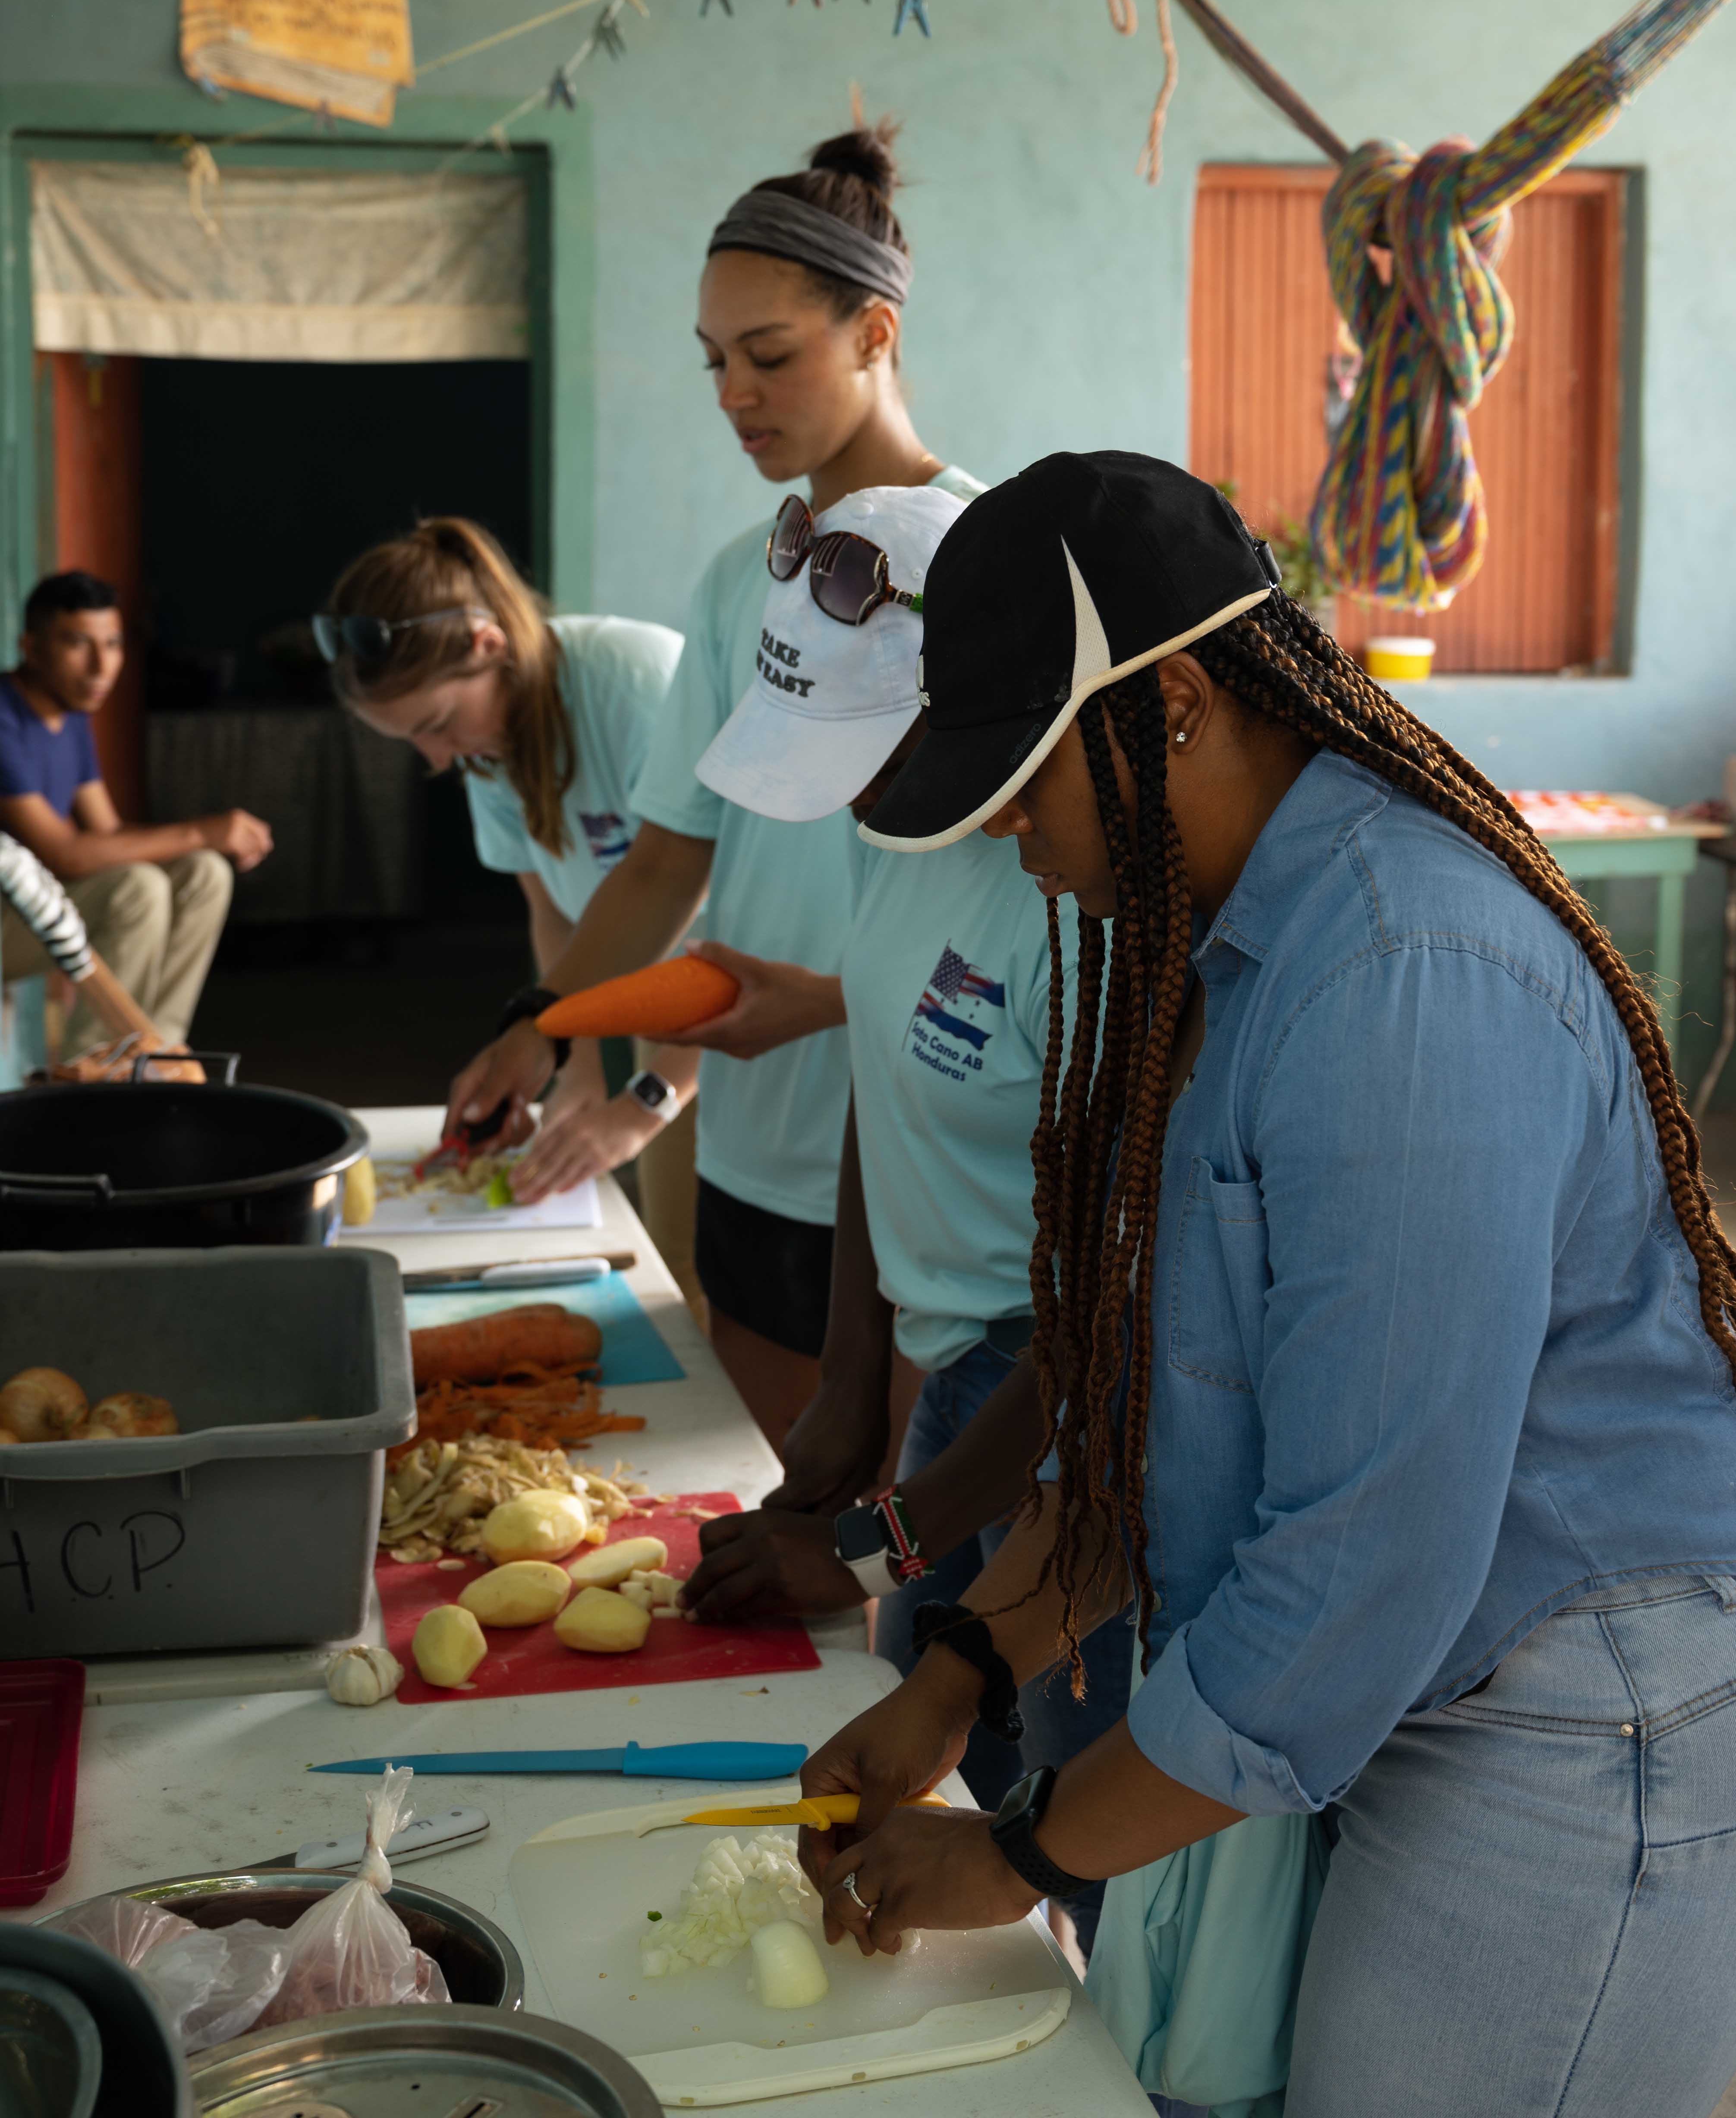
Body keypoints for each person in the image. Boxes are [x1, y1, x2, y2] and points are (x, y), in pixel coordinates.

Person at [792, 452, 1736, 2118]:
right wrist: (958, 1672)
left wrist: (1018, 1845)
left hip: (1571, 1718)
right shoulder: (1228, 943)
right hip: (1418, 1680)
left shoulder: (1398, 971)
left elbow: (1362, 1562)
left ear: (1166, 706)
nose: (1010, 839)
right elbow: (1158, 1437)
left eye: (1023, 786)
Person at [443, 124, 983, 1451]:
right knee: (760, 1488)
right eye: (715, 364)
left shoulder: (983, 563)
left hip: (920, 1137)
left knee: (904, 1523)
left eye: (770, 355)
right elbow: (673, 857)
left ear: (876, 332)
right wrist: (548, 1021)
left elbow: (1029, 908)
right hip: (755, 1133)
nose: (736, 393)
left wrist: (832, 1004)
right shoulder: (745, 576)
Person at [675, 478, 1135, 1954]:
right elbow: (886, 1066)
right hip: (952, 1392)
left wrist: (884, 1535)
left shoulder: (1082, 902)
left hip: (1056, 1403)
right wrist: (849, 1381)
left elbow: (1099, 1342)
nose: (859, 800)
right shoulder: (904, 832)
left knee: (1062, 1824)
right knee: (933, 1757)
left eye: (871, 756)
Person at [322, 518, 689, 1234]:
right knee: (679, 1252)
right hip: (662, 1007)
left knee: (748, 1282)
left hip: (761, 1003)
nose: (435, 758)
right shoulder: (489, 742)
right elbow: (554, 912)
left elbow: (734, 918)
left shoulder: (636, 681)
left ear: (488, 645)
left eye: (437, 722)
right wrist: (570, 1065)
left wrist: (645, 1103)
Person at [0, 568, 270, 1055]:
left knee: (204, 872)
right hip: (9, 917)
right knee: (137, 887)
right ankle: (93, 1069)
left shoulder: (72, 716)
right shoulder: (4, 718)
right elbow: (66, 855)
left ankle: (160, 1046)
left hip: (39, 910)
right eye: (79, 644)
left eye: (114, 644)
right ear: (32, 647)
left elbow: (108, 832)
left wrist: (203, 844)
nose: (101, 665)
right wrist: (202, 831)